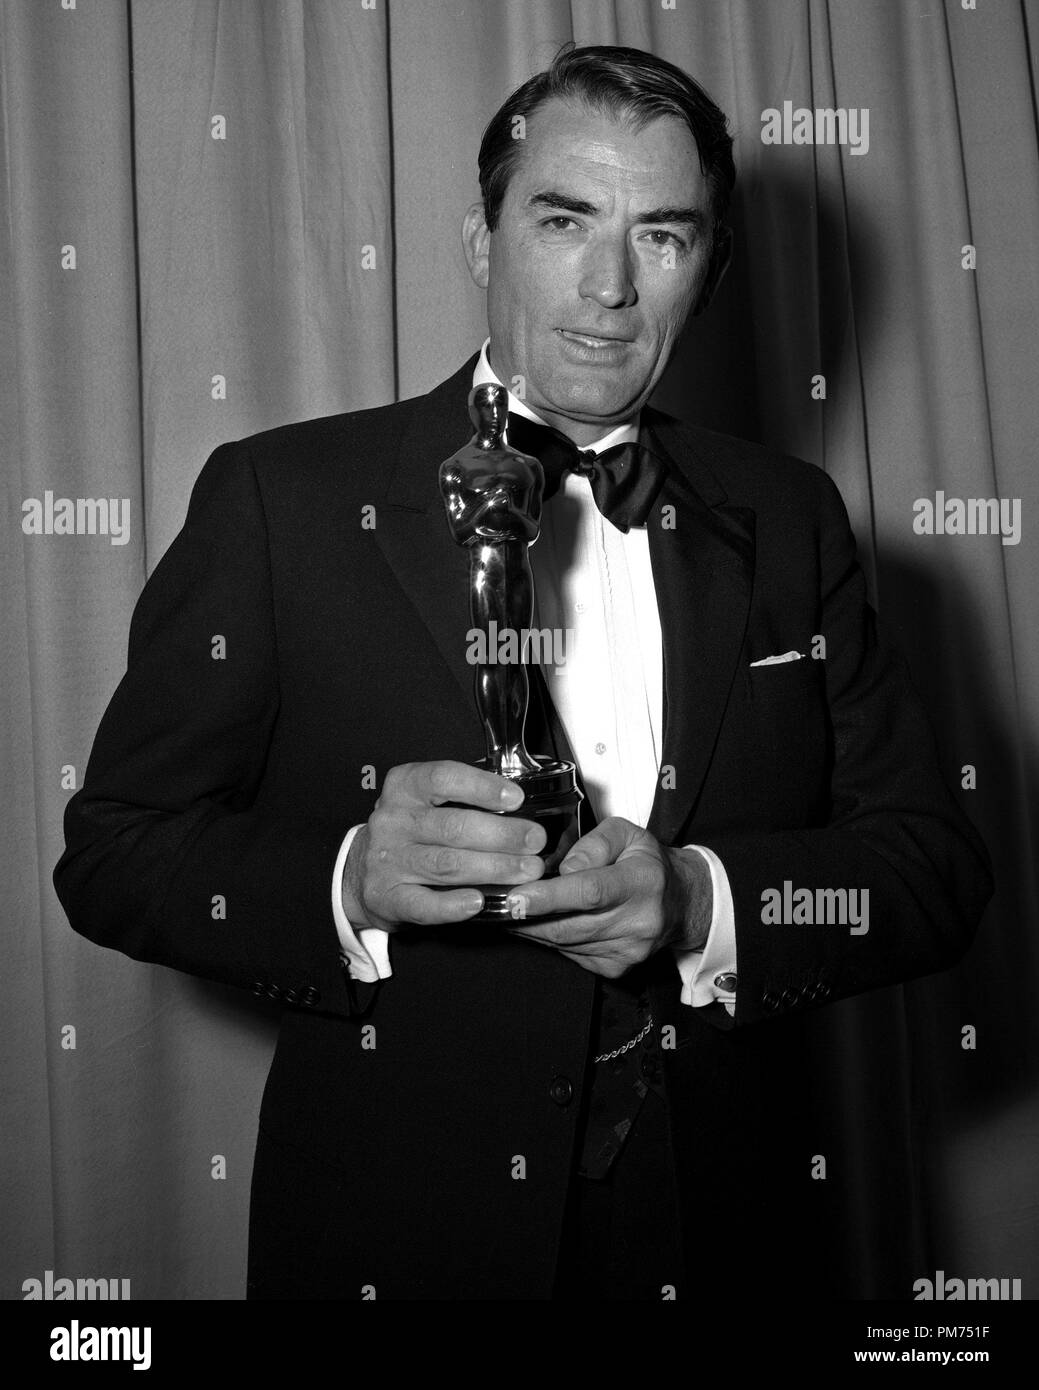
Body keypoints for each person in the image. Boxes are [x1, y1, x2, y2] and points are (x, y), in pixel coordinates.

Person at [54, 44, 992, 1301]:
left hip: (732, 1232)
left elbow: (929, 874)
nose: (608, 285)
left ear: (705, 270)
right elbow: (114, 850)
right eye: (564, 219)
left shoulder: (794, 517)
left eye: (661, 235)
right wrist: (350, 880)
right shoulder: (284, 498)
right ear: (481, 240)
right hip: (400, 1236)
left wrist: (707, 904)